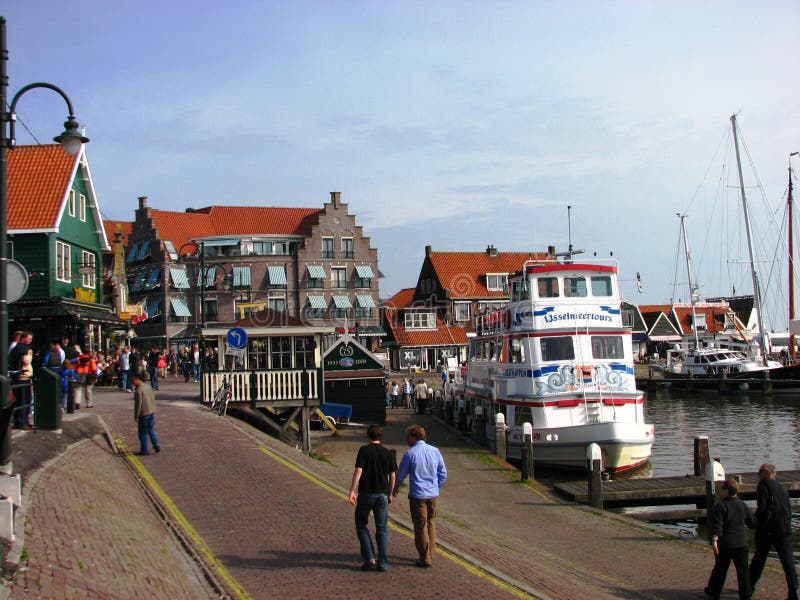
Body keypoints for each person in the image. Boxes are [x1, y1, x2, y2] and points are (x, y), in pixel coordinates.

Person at [393, 424, 447, 568]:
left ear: (414, 437)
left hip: (418, 495)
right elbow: (443, 473)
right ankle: (431, 553)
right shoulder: (435, 451)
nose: (406, 440)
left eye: (408, 437)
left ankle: (424, 557)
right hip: (433, 494)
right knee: (431, 523)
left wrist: (394, 488)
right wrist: (436, 485)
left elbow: (400, 475)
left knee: (420, 525)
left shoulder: (410, 454)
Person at [348, 424, 397, 572]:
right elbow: (392, 476)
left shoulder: (364, 450)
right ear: (381, 437)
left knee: (361, 524)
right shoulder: (388, 453)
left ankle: (369, 557)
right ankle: (383, 562)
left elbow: (358, 470)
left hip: (366, 493)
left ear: (368, 436)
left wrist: (352, 490)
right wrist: (390, 493)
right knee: (382, 528)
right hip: (382, 494)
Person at [749, 463, 798, 600]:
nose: (758, 475)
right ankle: (793, 592)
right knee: (788, 562)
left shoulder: (763, 486)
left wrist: (755, 522)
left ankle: (748, 587)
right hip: (784, 529)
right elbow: (787, 509)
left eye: (759, 472)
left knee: (759, 559)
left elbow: (762, 508)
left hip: (767, 530)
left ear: (766, 473)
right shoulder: (782, 487)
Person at [705, 477, 754, 600]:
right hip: (741, 543)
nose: (720, 491)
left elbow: (718, 524)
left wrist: (714, 540)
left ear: (727, 491)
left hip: (726, 543)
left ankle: (714, 591)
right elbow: (752, 523)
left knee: (720, 569)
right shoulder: (742, 505)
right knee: (743, 570)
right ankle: (746, 594)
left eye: (722, 488)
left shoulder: (721, 506)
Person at [8, 332, 33, 429]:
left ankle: (25, 420)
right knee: (22, 399)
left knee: (27, 399)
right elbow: (26, 360)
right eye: (29, 338)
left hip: (26, 377)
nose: (30, 341)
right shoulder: (20, 348)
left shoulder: (24, 348)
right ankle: (21, 422)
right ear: (23, 338)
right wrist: (30, 352)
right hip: (21, 377)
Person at [132, 372, 160, 456]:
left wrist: (136, 415)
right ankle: (156, 444)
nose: (132, 382)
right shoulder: (148, 386)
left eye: (133, 380)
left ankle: (144, 450)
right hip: (151, 411)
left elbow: (138, 404)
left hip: (143, 413)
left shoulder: (139, 390)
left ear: (137, 379)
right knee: (151, 429)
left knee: (142, 432)